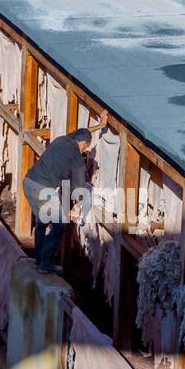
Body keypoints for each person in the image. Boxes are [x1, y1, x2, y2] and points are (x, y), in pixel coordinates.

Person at [22, 109, 110, 273]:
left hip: (28, 183)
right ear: (83, 144)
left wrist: (100, 125)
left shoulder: (62, 139)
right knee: (60, 225)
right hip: (43, 189)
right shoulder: (77, 157)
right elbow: (78, 188)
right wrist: (77, 207)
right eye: (86, 148)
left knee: (41, 222)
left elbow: (81, 132)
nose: (85, 151)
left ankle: (39, 260)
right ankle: (45, 264)